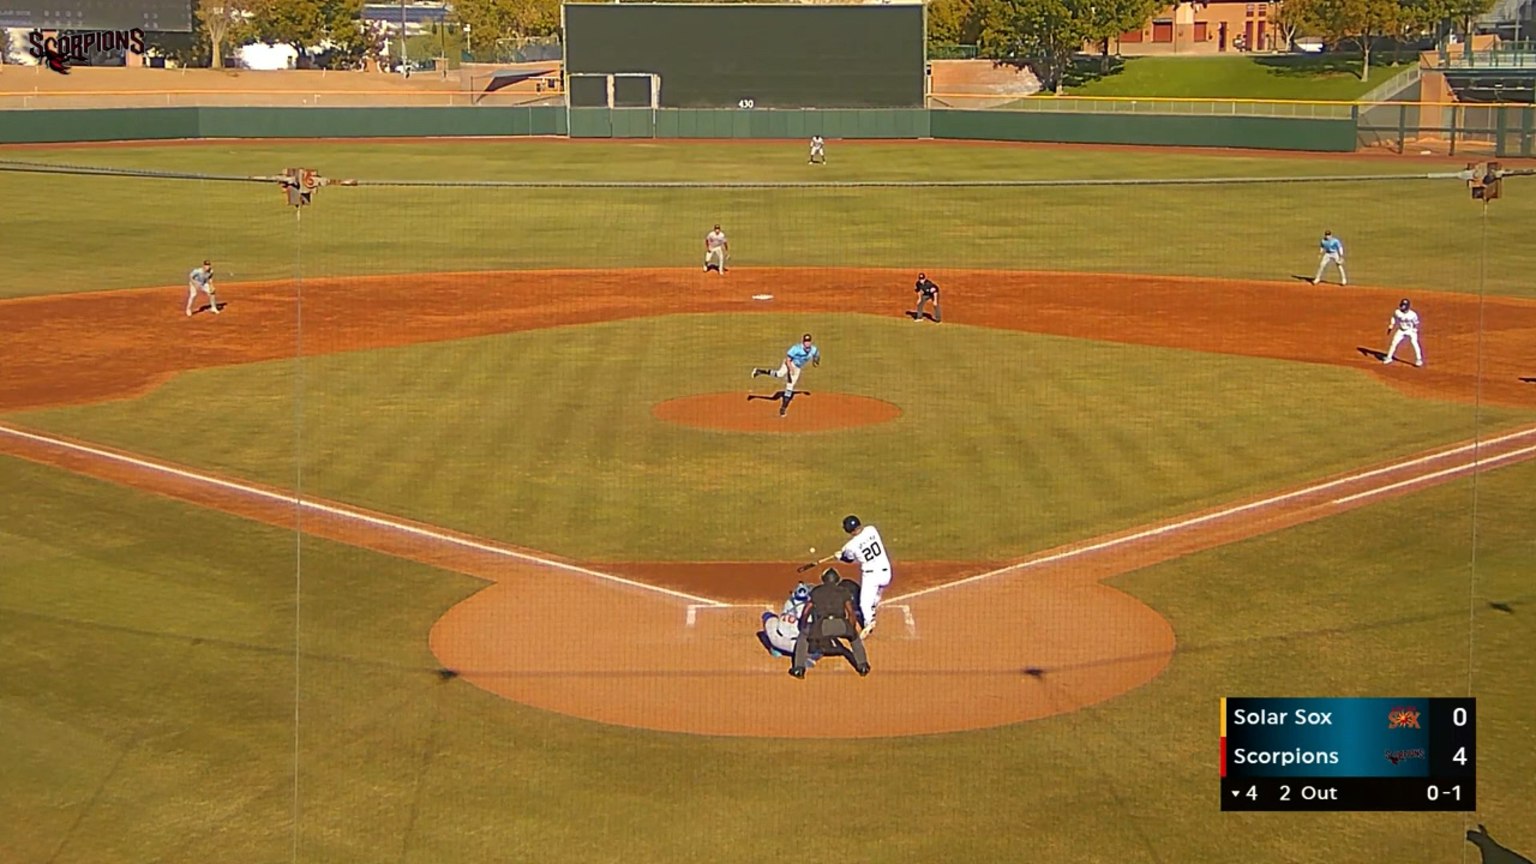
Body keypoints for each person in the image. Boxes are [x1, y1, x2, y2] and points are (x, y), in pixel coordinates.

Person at [789, 567, 870, 679]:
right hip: (841, 624)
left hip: (822, 626)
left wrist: (803, 626)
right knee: (855, 639)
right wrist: (851, 630)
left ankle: (799, 669)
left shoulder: (816, 591)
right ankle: (863, 666)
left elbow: (806, 610)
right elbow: (851, 613)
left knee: (803, 636)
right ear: (837, 580)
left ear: (824, 579)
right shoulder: (843, 591)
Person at [837, 515, 893, 638]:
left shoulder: (850, 546)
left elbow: (848, 559)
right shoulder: (872, 529)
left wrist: (840, 555)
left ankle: (869, 622)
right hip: (886, 572)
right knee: (876, 594)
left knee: (864, 604)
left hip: (871, 576)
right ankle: (873, 608)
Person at [751, 332, 820, 417]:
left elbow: (816, 355)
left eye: (809, 341)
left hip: (797, 368)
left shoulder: (813, 349)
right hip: (789, 364)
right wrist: (790, 369)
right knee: (779, 374)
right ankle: (760, 371)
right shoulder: (796, 348)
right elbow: (788, 360)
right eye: (806, 341)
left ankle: (782, 409)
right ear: (803, 342)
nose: (807, 343)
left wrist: (816, 361)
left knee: (790, 387)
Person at [760, 581, 812, 657]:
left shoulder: (789, 602)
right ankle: (812, 655)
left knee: (767, 615)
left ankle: (774, 649)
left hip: (778, 641)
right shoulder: (809, 609)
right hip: (799, 647)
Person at [1383, 298, 1424, 367]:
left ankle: (1419, 359)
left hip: (1410, 330)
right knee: (1394, 343)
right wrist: (1391, 326)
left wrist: (1415, 330)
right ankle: (1389, 357)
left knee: (1414, 343)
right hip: (1401, 330)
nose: (1402, 307)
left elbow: (1416, 323)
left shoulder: (1412, 314)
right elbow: (1393, 317)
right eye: (1402, 305)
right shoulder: (1397, 312)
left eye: (1404, 306)